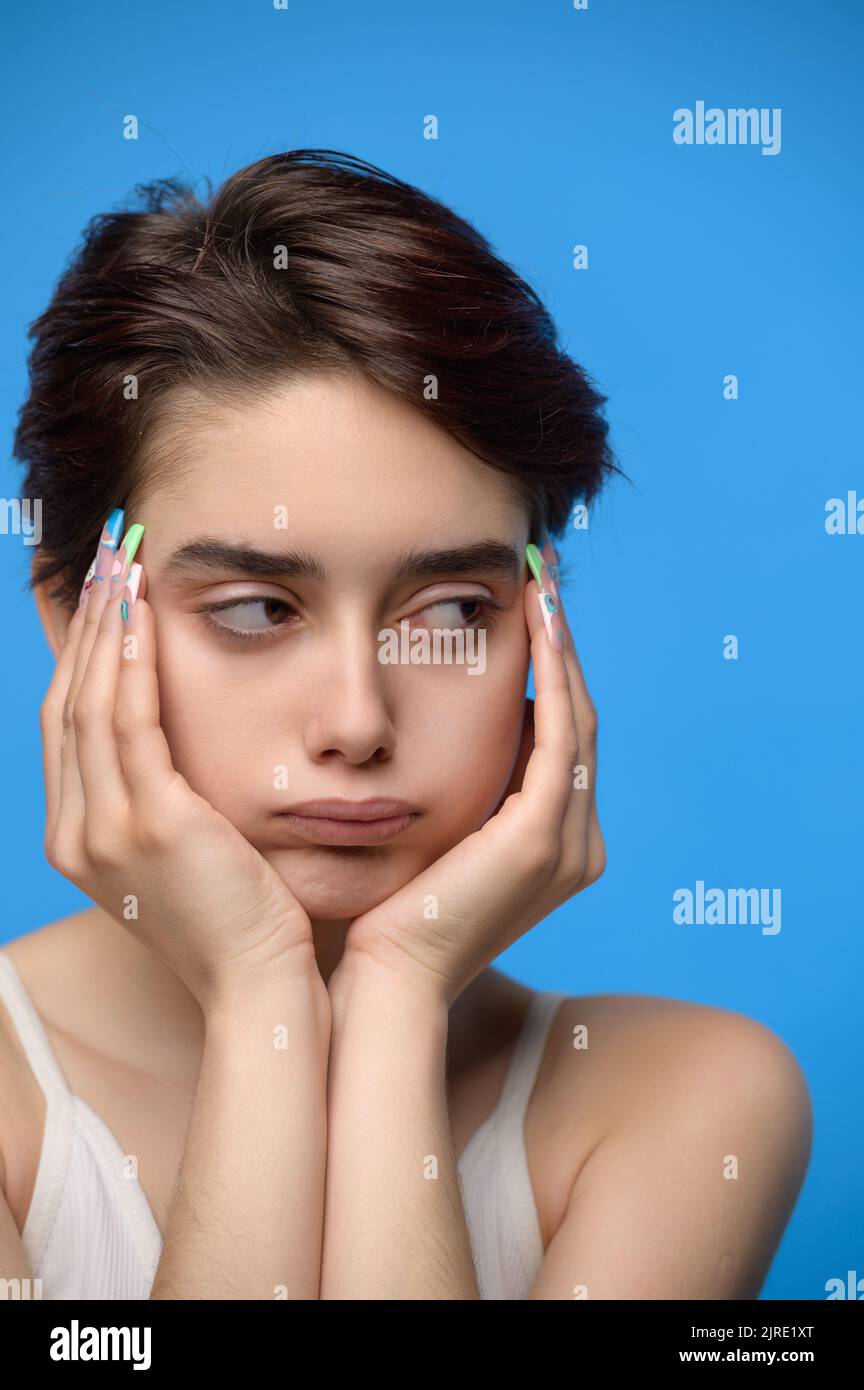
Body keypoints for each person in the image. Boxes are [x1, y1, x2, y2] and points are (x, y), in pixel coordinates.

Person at [0, 150, 811, 1301]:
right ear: (73, 620)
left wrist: (394, 998)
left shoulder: (691, 1095)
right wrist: (259, 998)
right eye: (255, 610)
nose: (357, 721)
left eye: (450, 612)